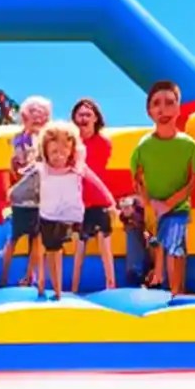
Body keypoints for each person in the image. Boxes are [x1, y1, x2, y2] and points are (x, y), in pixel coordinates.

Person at [130, 80, 195, 295]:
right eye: (156, 104)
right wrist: (148, 203)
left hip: (178, 208)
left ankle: (177, 293)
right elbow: (138, 179)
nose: (163, 109)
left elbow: (192, 182)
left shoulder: (189, 146)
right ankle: (163, 285)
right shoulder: (143, 147)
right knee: (157, 245)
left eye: (170, 103)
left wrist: (169, 204)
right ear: (149, 111)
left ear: (179, 108)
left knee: (175, 247)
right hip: (154, 211)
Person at [32, 121, 116, 300]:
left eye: (64, 151)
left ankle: (58, 290)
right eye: (54, 152)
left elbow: (96, 184)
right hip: (48, 215)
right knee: (49, 249)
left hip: (69, 215)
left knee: (58, 250)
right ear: (45, 151)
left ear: (72, 151)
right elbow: (25, 183)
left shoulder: (76, 169)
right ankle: (47, 284)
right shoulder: (43, 169)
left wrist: (109, 202)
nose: (59, 156)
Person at [1, 95, 51, 287]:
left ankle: (30, 277)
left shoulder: (48, 138)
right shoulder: (20, 139)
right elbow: (18, 166)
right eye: (34, 114)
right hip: (23, 197)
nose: (38, 118)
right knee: (14, 237)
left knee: (37, 238)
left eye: (42, 114)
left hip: (42, 196)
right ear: (25, 117)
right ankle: (3, 278)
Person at [69, 97, 116, 292]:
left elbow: (93, 170)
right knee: (79, 245)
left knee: (104, 242)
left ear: (96, 118)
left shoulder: (102, 143)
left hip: (97, 200)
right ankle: (73, 287)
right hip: (78, 202)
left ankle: (111, 284)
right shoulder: (71, 143)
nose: (83, 118)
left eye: (88, 114)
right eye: (80, 115)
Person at [117, 195, 154, 287]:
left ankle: (143, 278)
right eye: (123, 208)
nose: (125, 210)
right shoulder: (125, 218)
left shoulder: (138, 218)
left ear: (133, 207)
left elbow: (146, 231)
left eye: (127, 208)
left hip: (142, 248)